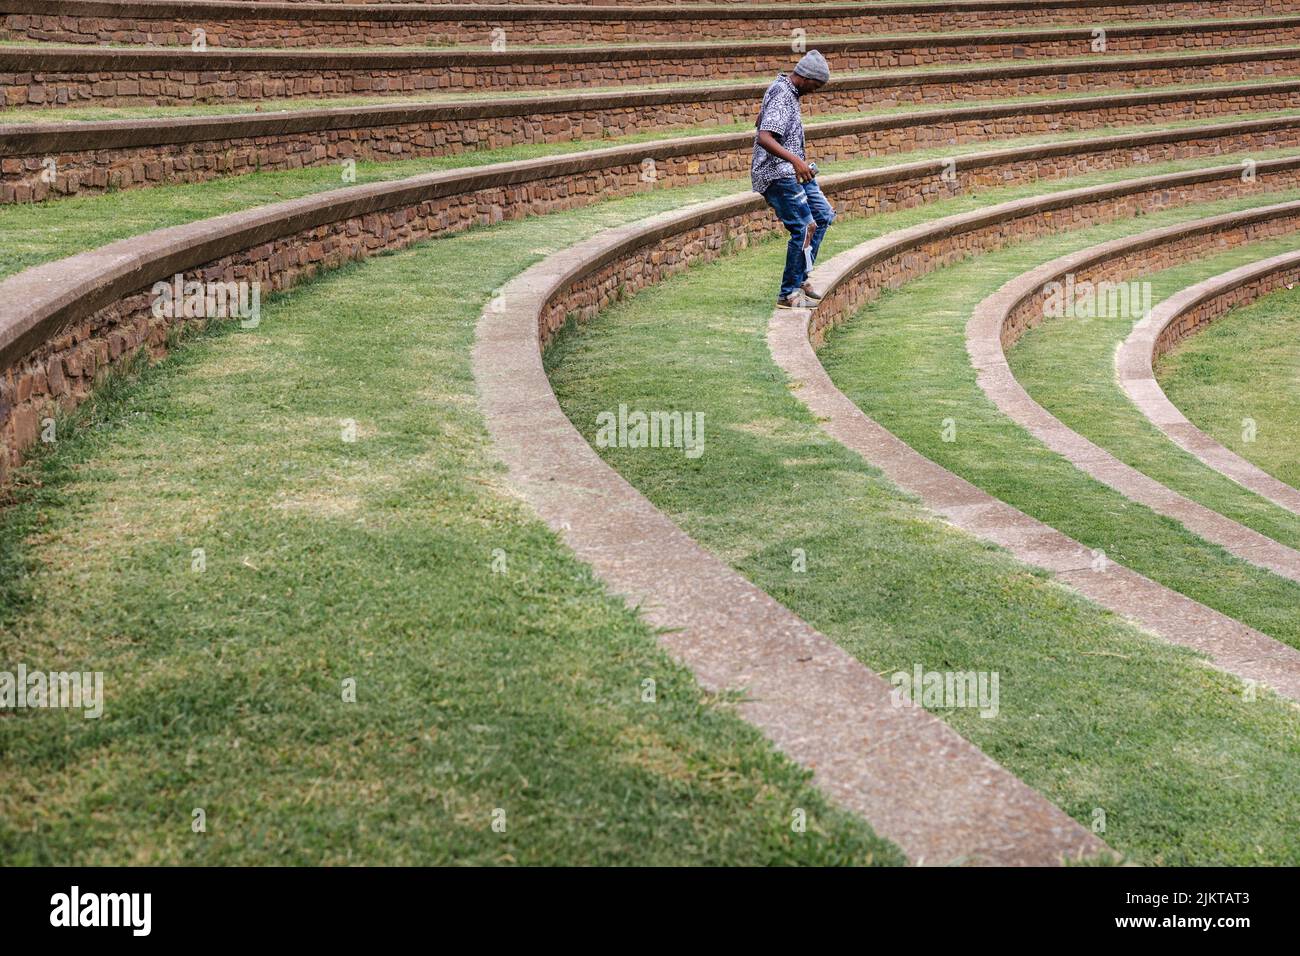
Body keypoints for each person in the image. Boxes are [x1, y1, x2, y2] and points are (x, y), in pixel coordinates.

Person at [751, 49, 834, 308]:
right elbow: (764, 136)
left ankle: (801, 278)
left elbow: (761, 120)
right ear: (807, 78)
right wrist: (796, 160)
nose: (815, 91)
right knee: (804, 226)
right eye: (816, 86)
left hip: (794, 171)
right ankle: (788, 294)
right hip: (777, 173)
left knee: (822, 216)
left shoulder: (788, 91)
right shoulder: (782, 92)